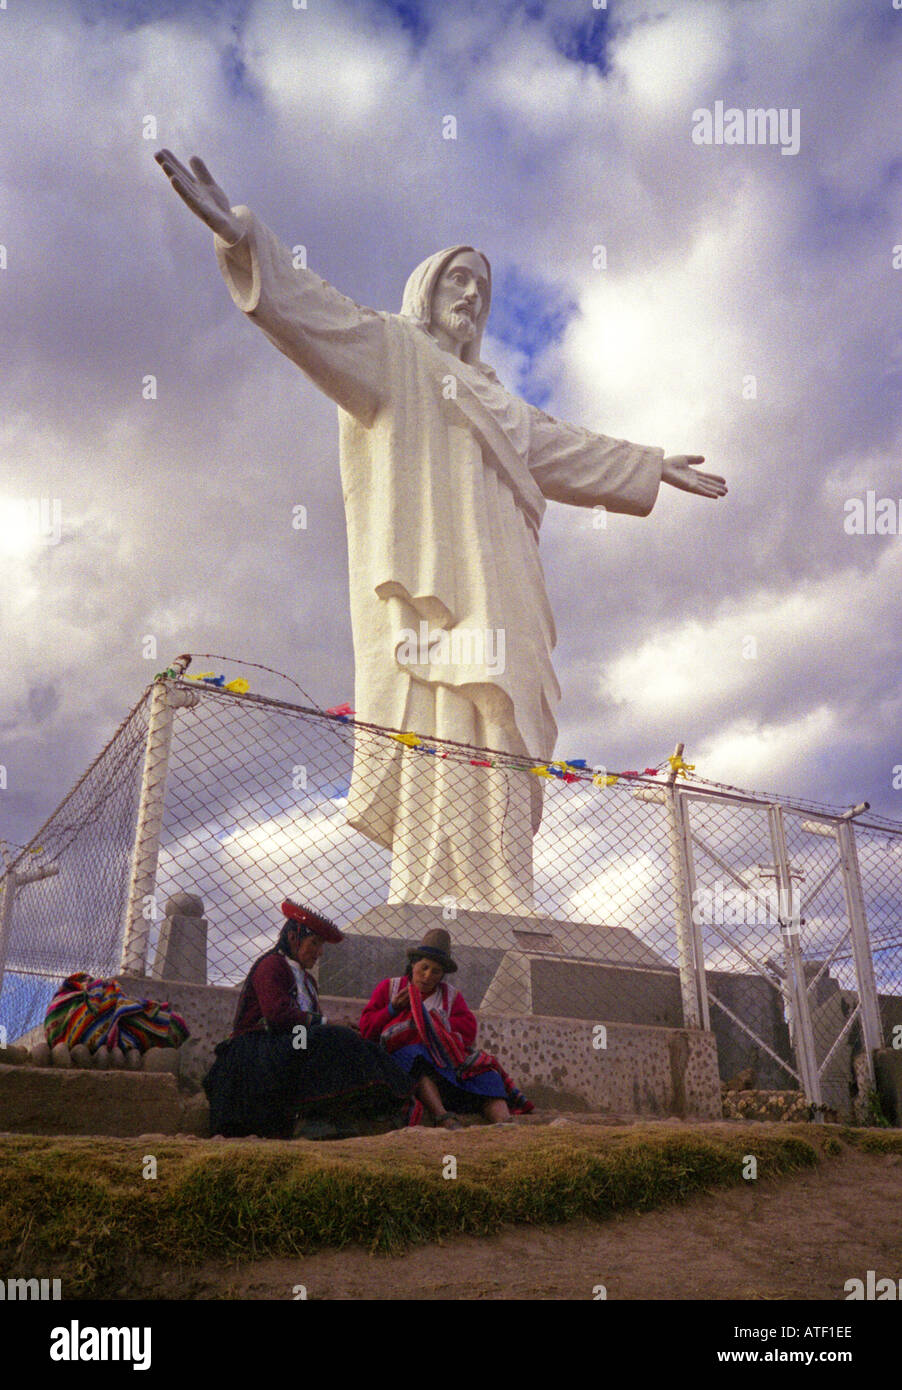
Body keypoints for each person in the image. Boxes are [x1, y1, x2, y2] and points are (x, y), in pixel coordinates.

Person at [155, 151, 727, 914]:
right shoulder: (391, 351)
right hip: (433, 592)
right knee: (440, 709)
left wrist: (651, 465)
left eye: (483, 288)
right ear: (427, 287)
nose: (473, 295)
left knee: (510, 708)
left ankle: (504, 890)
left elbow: (570, 447)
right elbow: (310, 314)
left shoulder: (502, 402)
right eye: (459, 278)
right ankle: (431, 890)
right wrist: (244, 239)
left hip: (505, 584)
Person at [203, 898, 413, 1138]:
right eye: (314, 943)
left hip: (290, 1042)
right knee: (329, 1036)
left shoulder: (308, 981)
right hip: (256, 1049)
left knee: (357, 1042)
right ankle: (315, 1116)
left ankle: (354, 1110)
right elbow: (277, 1015)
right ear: (293, 938)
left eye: (321, 945)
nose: (319, 952)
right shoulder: (272, 965)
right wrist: (326, 1024)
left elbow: (308, 1023)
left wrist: (328, 1027)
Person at [359, 928, 533, 1127]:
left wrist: (436, 1024)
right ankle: (442, 1115)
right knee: (416, 1058)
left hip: (446, 1067)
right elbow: (367, 1029)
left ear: (442, 975)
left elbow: (468, 1030)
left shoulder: (450, 996)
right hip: (406, 1068)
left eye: (436, 971)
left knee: (487, 1072)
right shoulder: (390, 989)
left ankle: (504, 1122)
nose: (427, 976)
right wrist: (392, 1010)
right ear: (413, 964)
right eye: (423, 967)